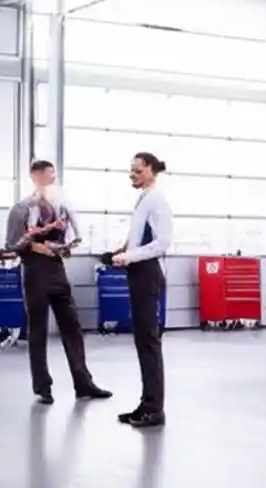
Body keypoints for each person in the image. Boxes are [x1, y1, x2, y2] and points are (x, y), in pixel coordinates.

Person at [0, 160, 111, 404]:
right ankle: (42, 387)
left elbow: (67, 240)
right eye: (50, 176)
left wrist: (64, 246)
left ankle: (83, 383)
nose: (53, 180)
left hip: (57, 271)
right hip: (35, 273)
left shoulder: (60, 209)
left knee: (72, 327)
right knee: (37, 330)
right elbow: (11, 245)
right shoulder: (21, 209)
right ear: (36, 178)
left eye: (54, 176)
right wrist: (34, 243)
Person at [110, 151, 173, 428]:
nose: (132, 175)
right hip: (138, 273)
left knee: (148, 343)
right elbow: (138, 236)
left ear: (150, 170)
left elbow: (163, 243)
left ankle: (154, 409)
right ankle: (146, 403)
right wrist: (124, 249)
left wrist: (130, 257)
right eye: (131, 170)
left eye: (137, 170)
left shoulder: (156, 200)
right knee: (142, 342)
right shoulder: (144, 199)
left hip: (147, 274)